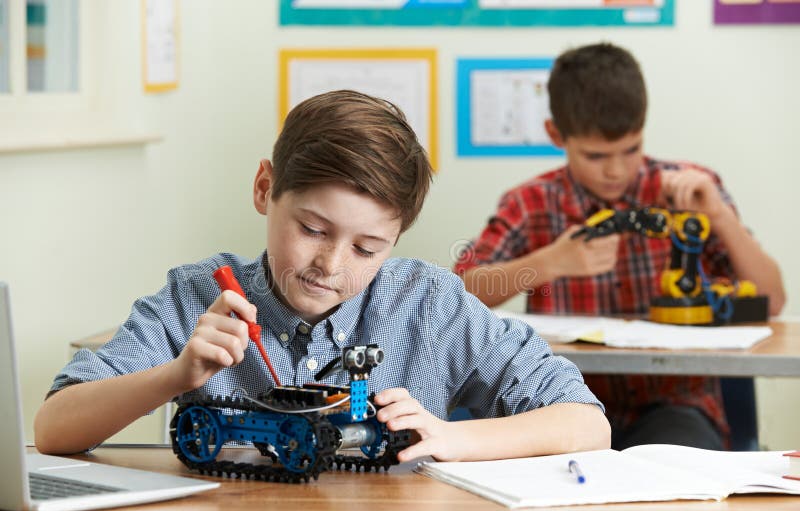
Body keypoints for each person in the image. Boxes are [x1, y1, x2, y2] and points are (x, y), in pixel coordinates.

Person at [35, 89, 610, 460]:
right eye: (312, 229)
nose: (331, 265)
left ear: (397, 239)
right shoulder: (196, 299)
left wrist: (455, 436)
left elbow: (587, 425)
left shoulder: (430, 305)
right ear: (265, 189)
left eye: (367, 247)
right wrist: (176, 375)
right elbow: (56, 427)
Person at [454, 43, 785, 451]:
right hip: (561, 406)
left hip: (673, 405)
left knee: (676, 483)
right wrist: (548, 263)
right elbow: (457, 298)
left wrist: (720, 215)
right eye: (595, 156)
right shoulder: (532, 203)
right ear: (556, 135)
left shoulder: (693, 190)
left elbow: (772, 301)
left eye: (631, 149)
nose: (615, 170)